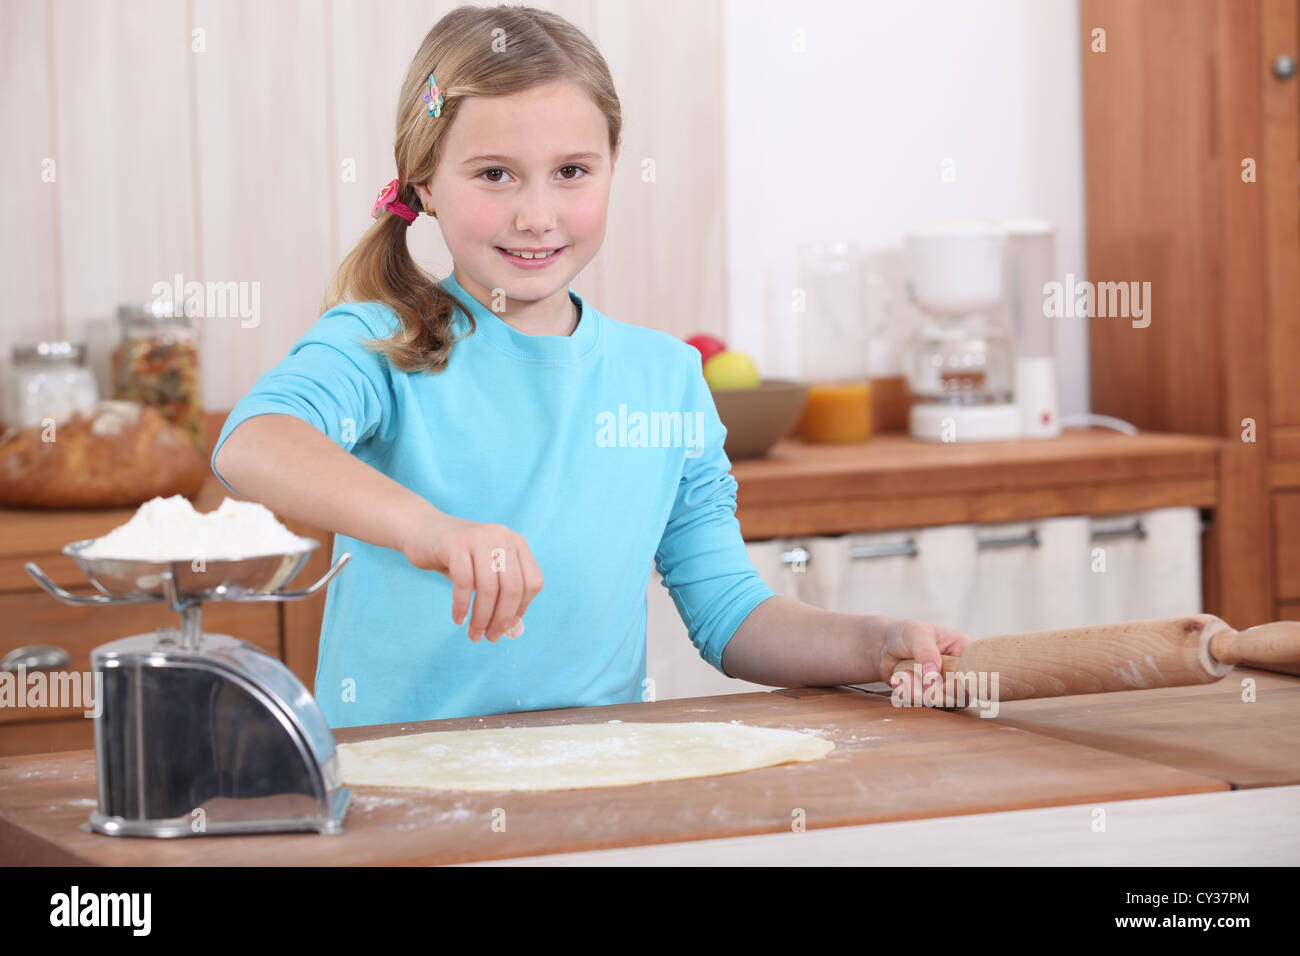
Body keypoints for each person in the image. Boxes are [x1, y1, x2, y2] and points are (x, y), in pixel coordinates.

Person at [212, 3, 972, 728]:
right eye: (494, 174)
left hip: (592, 789)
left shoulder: (665, 379)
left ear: (613, 167)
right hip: (395, 800)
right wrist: (431, 531)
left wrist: (872, 645)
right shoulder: (381, 342)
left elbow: (731, 617)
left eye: (571, 171)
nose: (536, 214)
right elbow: (252, 441)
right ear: (424, 185)